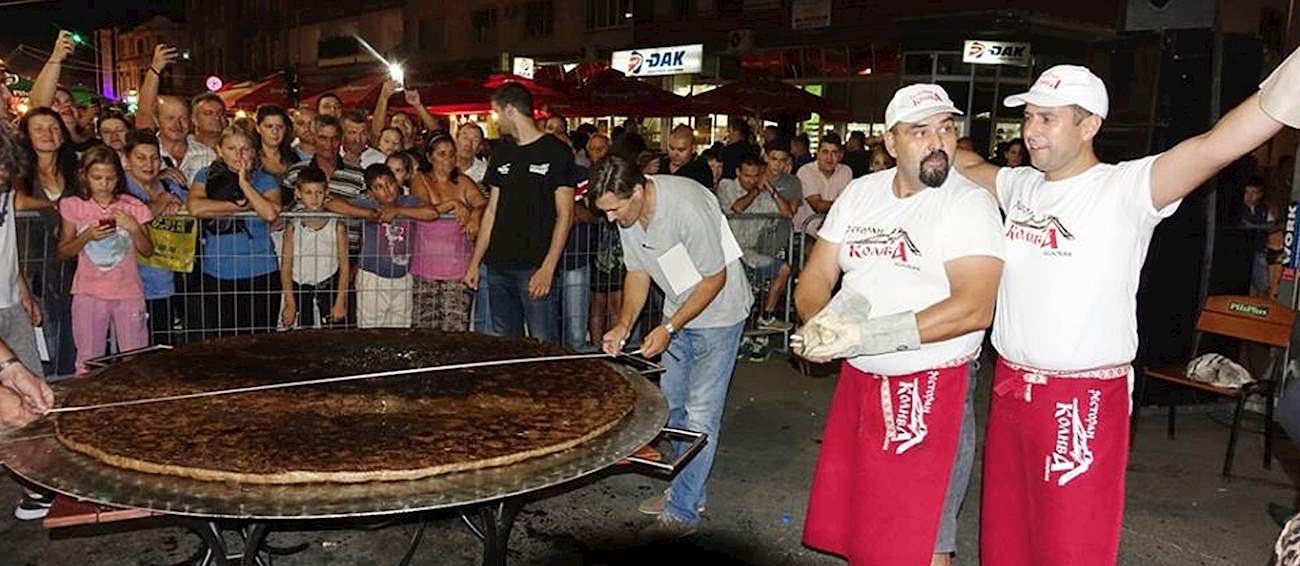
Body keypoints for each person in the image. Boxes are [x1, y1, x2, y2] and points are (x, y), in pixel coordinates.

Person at [954, 57, 1300, 565]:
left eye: (1047, 118)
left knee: (1070, 548)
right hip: (1012, 390)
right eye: (1028, 117)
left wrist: (1290, 82)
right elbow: (970, 167)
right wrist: (932, 137)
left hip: (1082, 397)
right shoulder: (1022, 185)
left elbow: (1216, 145)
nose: (1031, 131)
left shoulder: (1126, 188)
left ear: (1090, 124)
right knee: (1006, 542)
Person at [793, 84, 1004, 566]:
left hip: (933, 387)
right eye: (921, 131)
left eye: (947, 129)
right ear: (890, 143)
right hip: (862, 383)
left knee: (923, 536)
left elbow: (975, 307)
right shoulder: (861, 193)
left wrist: (865, 336)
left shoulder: (968, 204)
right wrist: (820, 323)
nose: (938, 141)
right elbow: (818, 275)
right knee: (865, 528)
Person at [591, 155, 753, 540]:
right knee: (674, 410)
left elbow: (715, 279)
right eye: (605, 212)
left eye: (614, 209)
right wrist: (624, 324)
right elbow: (638, 271)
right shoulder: (629, 215)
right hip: (678, 312)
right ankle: (686, 490)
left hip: (720, 315)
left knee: (700, 417)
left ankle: (683, 511)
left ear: (637, 190)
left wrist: (668, 327)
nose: (611, 219)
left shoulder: (687, 206)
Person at [463, 83, 575, 342]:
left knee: (543, 343)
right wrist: (475, 262)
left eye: (496, 113)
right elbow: (492, 211)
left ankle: (547, 384)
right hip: (498, 264)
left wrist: (548, 267)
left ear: (510, 110)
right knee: (506, 344)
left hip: (534, 265)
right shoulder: (502, 152)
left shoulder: (557, 152)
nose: (496, 120)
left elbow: (565, 215)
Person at [57, 146, 154, 375]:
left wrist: (134, 228)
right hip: (88, 291)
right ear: (85, 176)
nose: (104, 184)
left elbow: (148, 250)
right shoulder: (74, 206)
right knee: (88, 359)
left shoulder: (133, 206)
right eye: (97, 178)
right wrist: (86, 236)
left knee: (135, 358)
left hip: (128, 290)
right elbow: (63, 251)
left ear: (118, 177)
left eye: (110, 178)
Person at [188, 126, 283, 338]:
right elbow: (196, 208)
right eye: (232, 148)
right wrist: (242, 206)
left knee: (260, 339)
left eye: (245, 149)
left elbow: (269, 213)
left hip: (260, 271)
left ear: (253, 151)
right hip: (218, 271)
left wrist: (244, 184)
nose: (239, 155)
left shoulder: (265, 179)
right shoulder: (206, 175)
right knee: (223, 340)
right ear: (220, 151)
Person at [17, 108, 80, 377]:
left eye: (54, 127)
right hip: (33, 260)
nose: (48, 134)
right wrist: (56, 205)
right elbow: (18, 201)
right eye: (39, 128)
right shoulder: (20, 168)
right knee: (42, 329)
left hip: (72, 261)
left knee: (71, 328)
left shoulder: (75, 169)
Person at [717, 155, 796, 360]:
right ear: (738, 173)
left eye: (755, 176)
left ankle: (767, 316)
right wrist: (754, 191)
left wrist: (771, 191)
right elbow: (737, 208)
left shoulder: (764, 194)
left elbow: (787, 213)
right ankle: (734, 339)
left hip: (751, 251)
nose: (751, 180)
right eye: (747, 176)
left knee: (783, 269)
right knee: (739, 297)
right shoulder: (726, 186)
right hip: (728, 252)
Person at [410, 135, 486, 331]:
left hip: (458, 269)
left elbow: (482, 203)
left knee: (456, 330)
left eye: (452, 154)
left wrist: (476, 214)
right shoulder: (420, 180)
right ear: (429, 157)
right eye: (442, 154)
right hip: (426, 269)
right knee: (424, 331)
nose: (448, 159)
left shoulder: (463, 181)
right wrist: (455, 203)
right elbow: (426, 209)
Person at [336, 164, 426, 328]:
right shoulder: (368, 204)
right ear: (371, 192)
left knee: (401, 328)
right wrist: (368, 214)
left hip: (403, 276)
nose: (387, 190)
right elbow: (332, 203)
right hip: (373, 277)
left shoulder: (410, 202)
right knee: (371, 328)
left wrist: (399, 212)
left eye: (390, 183)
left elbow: (431, 212)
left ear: (397, 183)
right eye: (379, 187)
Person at [122, 130, 187, 345]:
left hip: (168, 279)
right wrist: (165, 200)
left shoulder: (169, 183)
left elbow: (191, 207)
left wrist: (177, 202)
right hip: (131, 283)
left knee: (163, 344)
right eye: (140, 157)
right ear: (127, 159)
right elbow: (137, 213)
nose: (148, 164)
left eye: (154, 158)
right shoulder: (120, 187)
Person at [135, 45, 217, 185]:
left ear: (191, 120)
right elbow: (144, 111)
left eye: (183, 118)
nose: (177, 125)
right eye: (170, 118)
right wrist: (155, 70)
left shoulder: (208, 154)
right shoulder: (143, 154)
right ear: (156, 119)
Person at [279, 167, 348, 329]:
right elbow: (286, 266)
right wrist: (290, 302)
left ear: (327, 191)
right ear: (298, 193)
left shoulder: (337, 226)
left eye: (319, 192)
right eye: (308, 193)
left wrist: (340, 301)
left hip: (328, 290)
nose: (314, 198)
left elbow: (344, 266)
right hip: (299, 292)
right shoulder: (292, 226)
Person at [794, 137, 853, 237]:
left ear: (840, 155)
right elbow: (818, 206)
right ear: (817, 154)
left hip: (833, 232)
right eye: (825, 152)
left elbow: (847, 204)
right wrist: (840, 206)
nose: (829, 157)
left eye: (834, 152)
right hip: (804, 232)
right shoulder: (805, 171)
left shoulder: (846, 171)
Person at [1239, 177, 1278, 297]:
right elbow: (1244, 226)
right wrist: (1262, 226)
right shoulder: (1238, 209)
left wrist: (1257, 226)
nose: (1250, 196)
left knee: (1263, 285)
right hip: (1241, 251)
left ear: (1260, 194)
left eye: (1254, 192)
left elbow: (1272, 225)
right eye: (1247, 192)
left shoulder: (1264, 209)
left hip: (1259, 250)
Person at [256, 105, 304, 180]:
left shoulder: (293, 159)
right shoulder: (250, 158)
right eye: (269, 126)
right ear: (258, 128)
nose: (275, 131)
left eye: (280, 126)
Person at [659, 124, 714, 189]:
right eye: (672, 148)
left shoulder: (701, 169)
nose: (675, 154)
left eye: (681, 150)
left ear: (693, 148)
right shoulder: (659, 165)